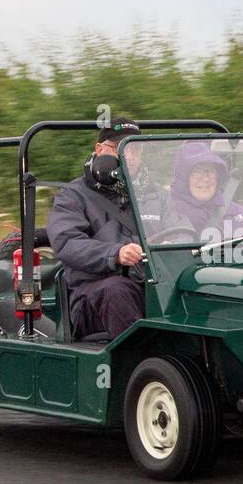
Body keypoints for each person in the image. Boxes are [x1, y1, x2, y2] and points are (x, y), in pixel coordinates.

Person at [46, 117, 151, 339]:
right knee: (117, 291)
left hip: (151, 283)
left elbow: (182, 229)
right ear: (99, 149)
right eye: (119, 148)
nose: (128, 156)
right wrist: (115, 253)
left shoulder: (155, 194)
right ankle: (142, 368)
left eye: (134, 149)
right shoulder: (73, 195)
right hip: (91, 292)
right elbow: (66, 243)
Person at [159, 141, 243, 240]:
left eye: (211, 171)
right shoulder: (166, 212)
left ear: (218, 177)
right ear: (184, 179)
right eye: (198, 171)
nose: (206, 178)